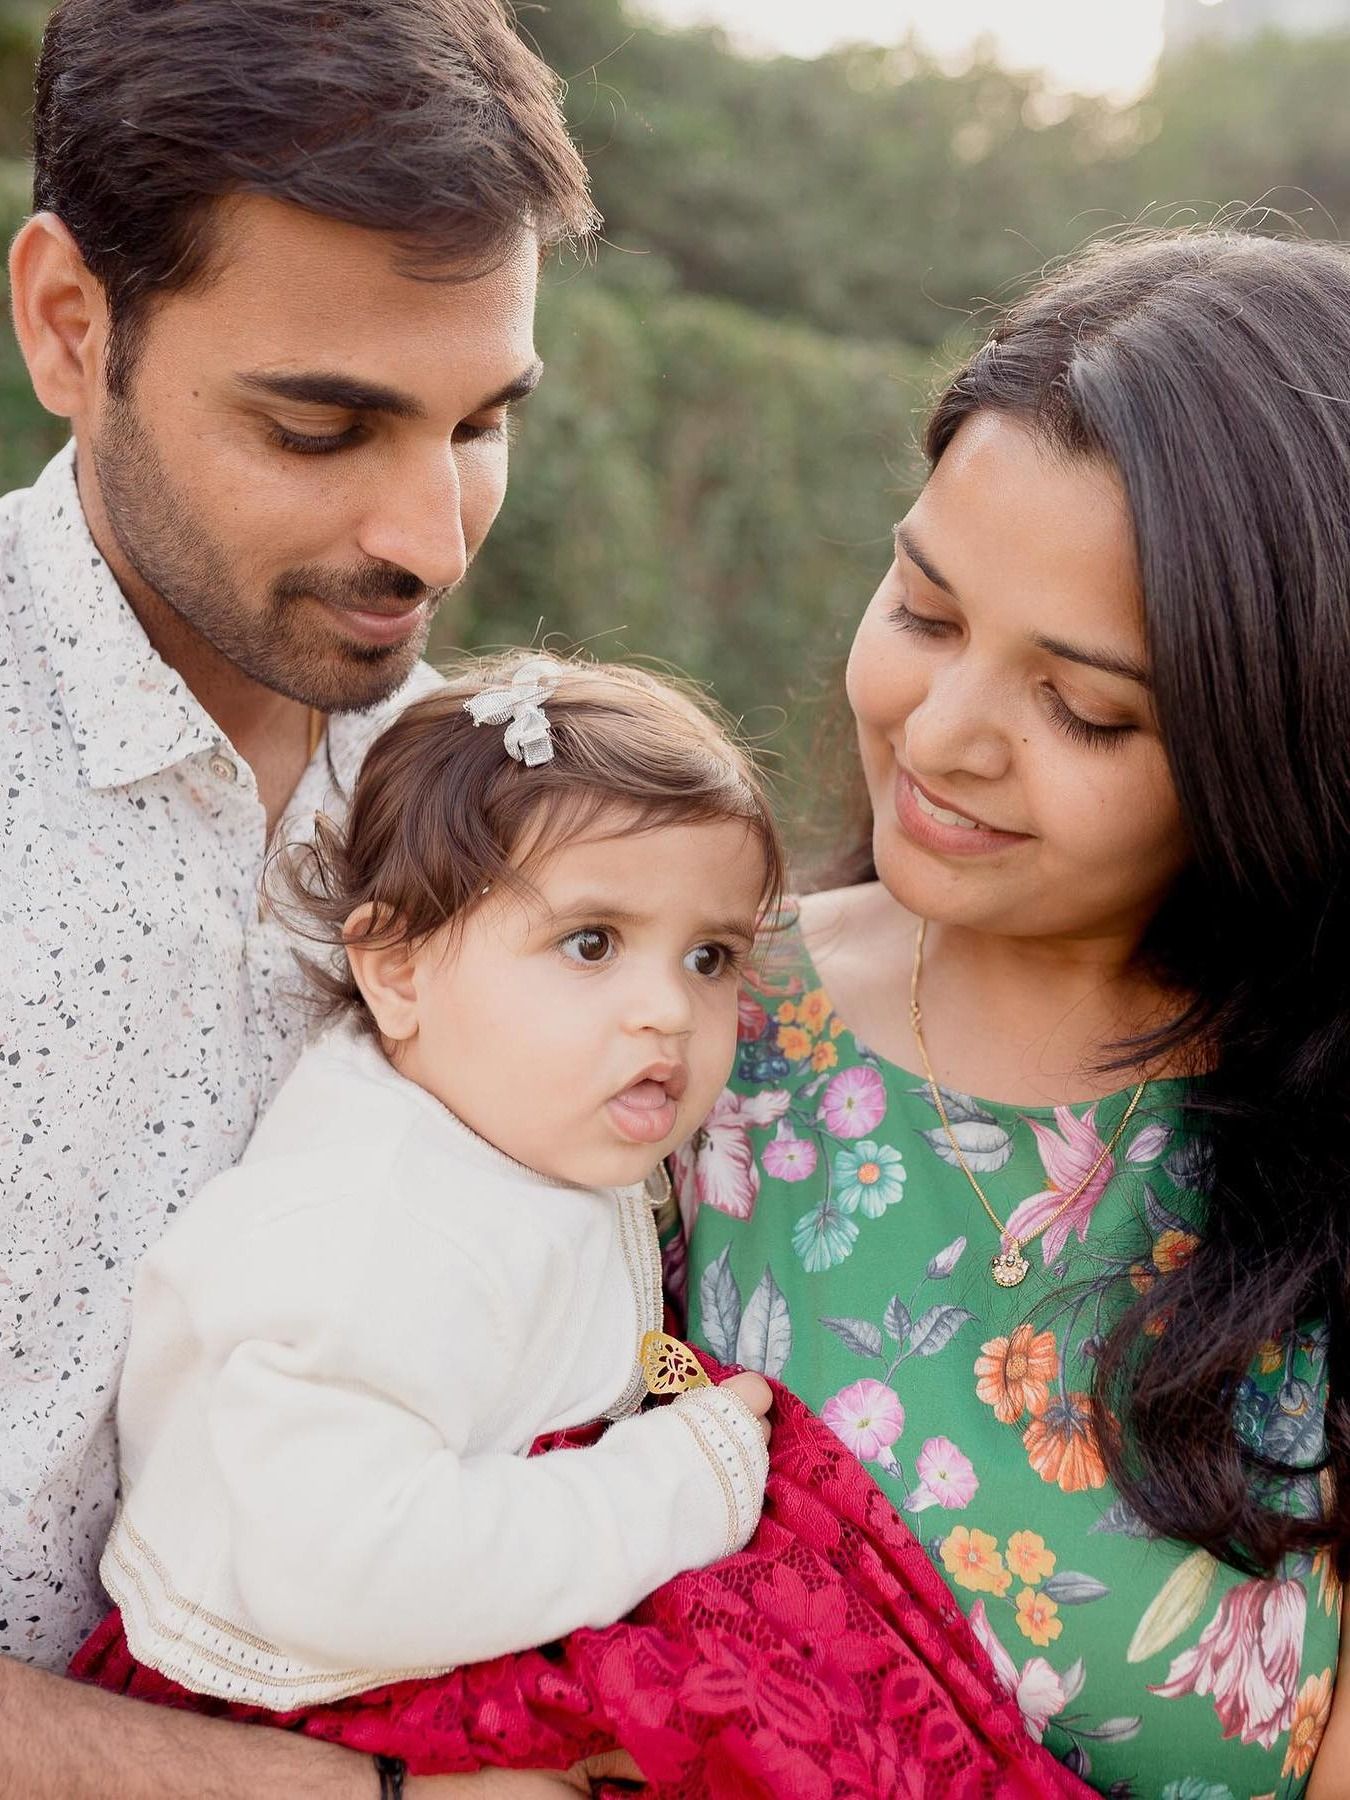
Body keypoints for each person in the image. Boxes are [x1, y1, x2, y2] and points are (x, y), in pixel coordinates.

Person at [72, 652, 1089, 1800]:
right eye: (592, 943)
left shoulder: (505, 1102)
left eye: (709, 957)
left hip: (452, 1617)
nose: (666, 1009)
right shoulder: (369, 1233)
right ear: (397, 965)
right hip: (323, 1687)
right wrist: (664, 1489)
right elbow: (341, 1563)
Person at [0, 2, 614, 1794]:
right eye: (322, 425)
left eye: (481, 423)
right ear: (68, 325)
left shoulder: (493, 813)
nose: (432, 537)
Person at [675, 229, 1350, 1796]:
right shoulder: (681, 1037)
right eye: (921, 611)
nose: (945, 733)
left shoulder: (1315, 1162)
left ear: (1277, 748)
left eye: (1083, 706)